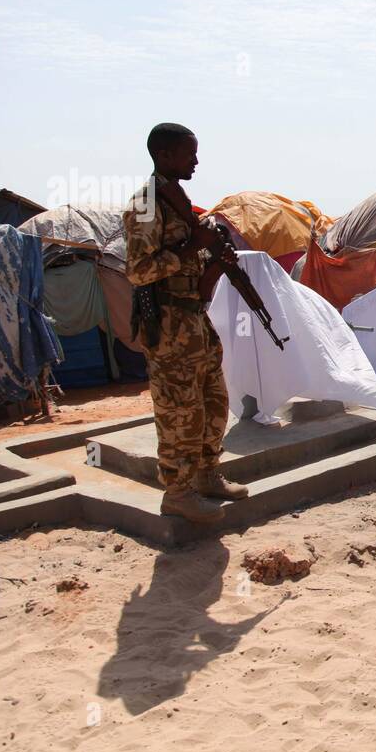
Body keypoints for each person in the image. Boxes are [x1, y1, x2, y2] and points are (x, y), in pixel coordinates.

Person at [122, 123, 248, 522]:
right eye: (188, 153)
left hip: (194, 319)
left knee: (214, 403)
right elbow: (138, 270)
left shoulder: (176, 198)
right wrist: (192, 247)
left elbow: (188, 260)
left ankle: (207, 475)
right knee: (179, 411)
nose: (195, 161)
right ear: (164, 155)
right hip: (168, 325)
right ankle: (177, 492)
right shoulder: (146, 203)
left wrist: (213, 259)